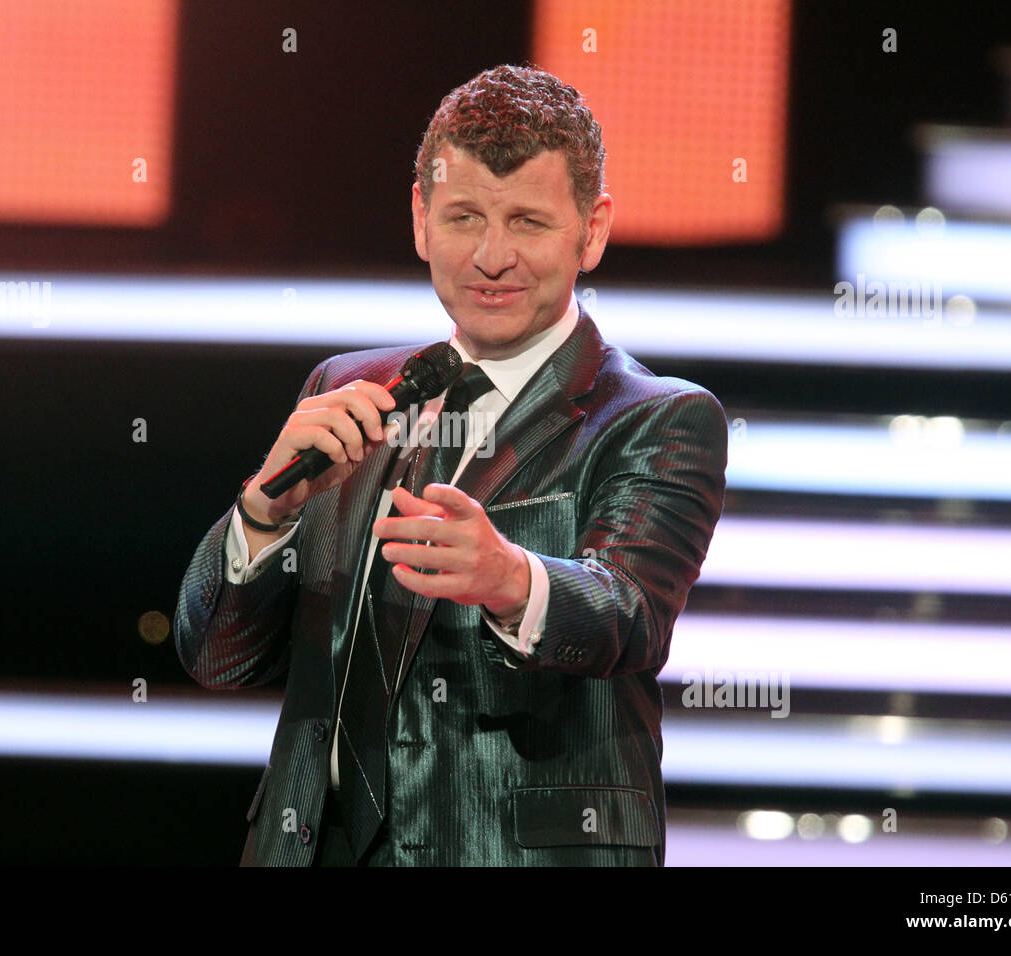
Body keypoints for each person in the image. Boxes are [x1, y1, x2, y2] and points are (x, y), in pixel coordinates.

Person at [174, 64, 727, 866]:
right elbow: (218, 658)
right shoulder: (347, 389)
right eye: (464, 216)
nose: (491, 257)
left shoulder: (655, 416)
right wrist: (266, 513)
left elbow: (629, 614)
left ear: (592, 230)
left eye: (528, 223)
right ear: (421, 218)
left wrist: (510, 578)